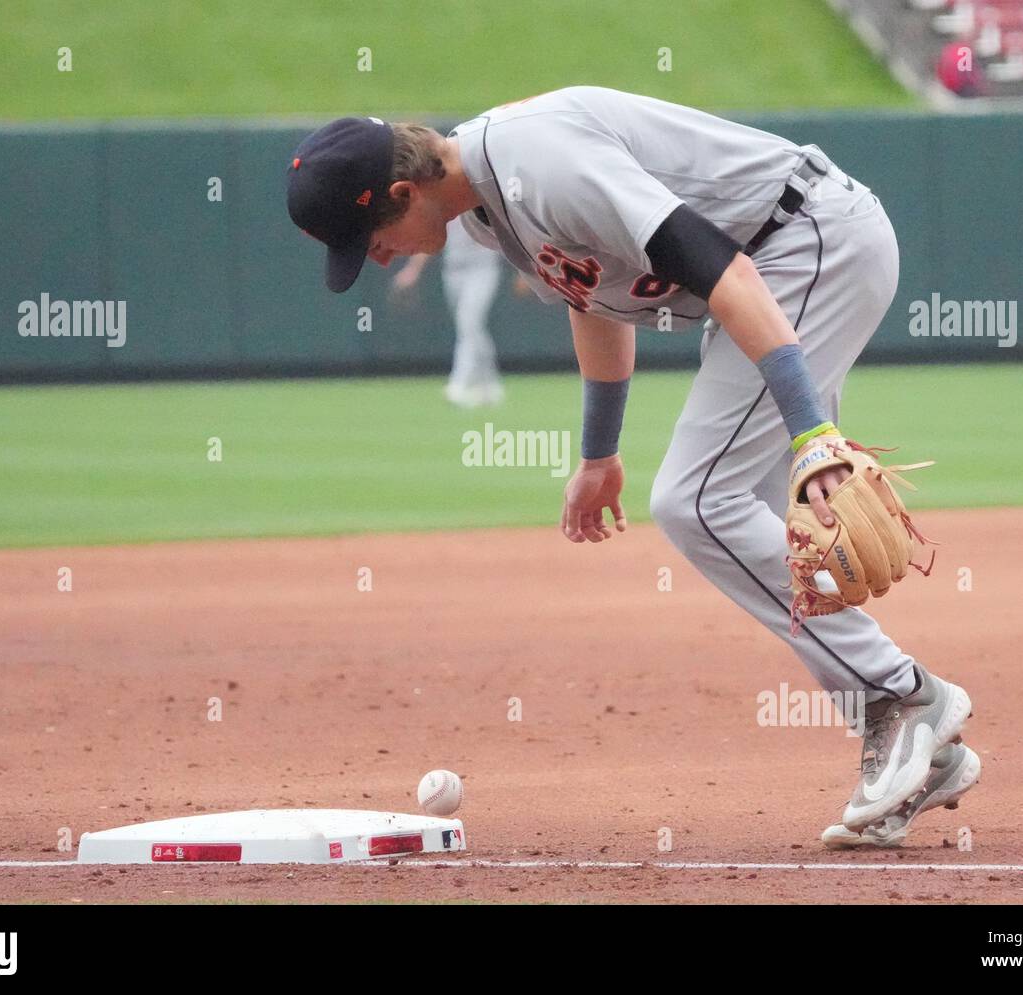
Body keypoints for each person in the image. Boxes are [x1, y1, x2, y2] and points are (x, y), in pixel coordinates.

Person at [284, 87, 977, 846]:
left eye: (368, 237)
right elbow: (593, 296)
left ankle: (901, 699)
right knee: (737, 514)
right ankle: (915, 741)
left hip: (806, 243)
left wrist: (811, 431)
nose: (374, 257)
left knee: (695, 499)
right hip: (793, 257)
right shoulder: (485, 210)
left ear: (402, 192)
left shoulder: (541, 165)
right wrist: (599, 449)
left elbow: (728, 275)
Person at [392, 216, 505, 408]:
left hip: (483, 268)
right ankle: (489, 385)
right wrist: (412, 270)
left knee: (468, 322)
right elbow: (430, 238)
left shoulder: (481, 198)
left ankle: (458, 384)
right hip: (453, 269)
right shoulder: (450, 204)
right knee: (470, 330)